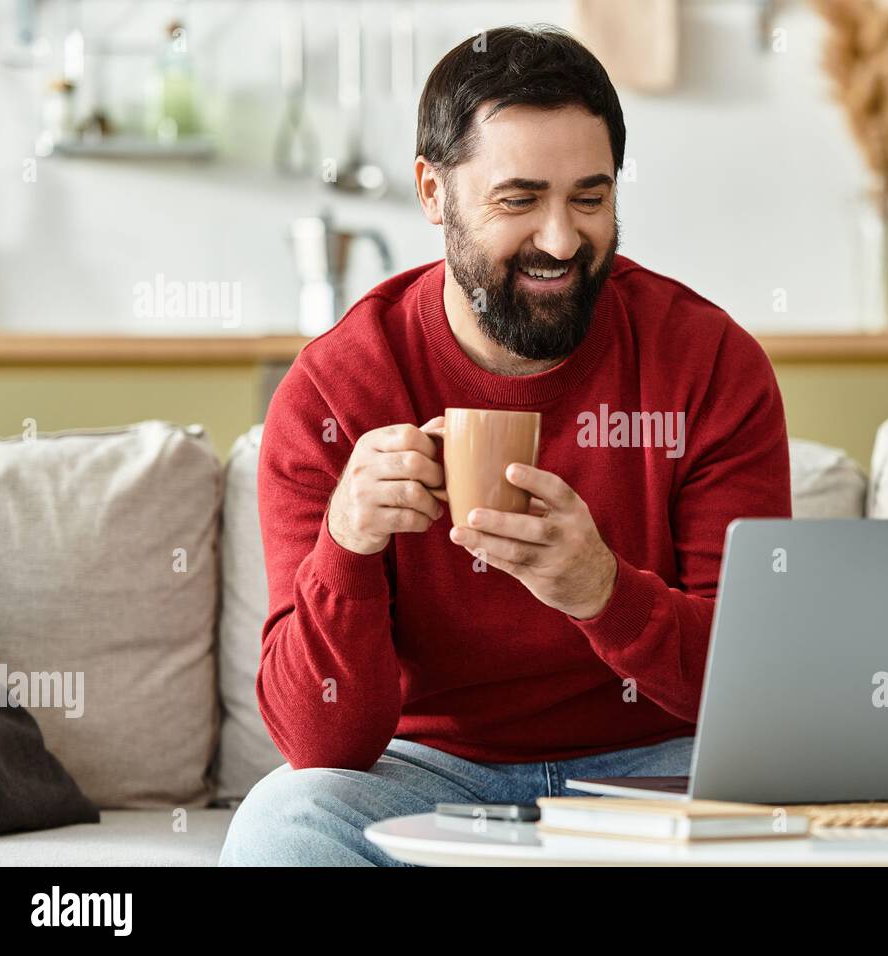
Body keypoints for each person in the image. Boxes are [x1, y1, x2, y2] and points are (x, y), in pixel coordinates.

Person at [219, 24, 790, 866]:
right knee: (283, 827)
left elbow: (760, 684)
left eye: (590, 199)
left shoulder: (706, 362)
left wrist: (605, 592)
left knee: (815, 812)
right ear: (431, 191)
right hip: (430, 776)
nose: (561, 241)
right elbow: (320, 741)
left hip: (664, 773)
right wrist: (346, 547)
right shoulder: (335, 390)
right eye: (519, 201)